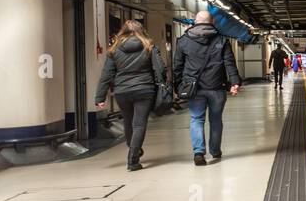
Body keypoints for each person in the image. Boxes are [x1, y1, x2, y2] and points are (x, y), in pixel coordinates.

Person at [94, 20, 167, 171]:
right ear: (142, 30)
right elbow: (160, 68)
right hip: (144, 89)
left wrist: (100, 97)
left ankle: (133, 146)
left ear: (123, 31)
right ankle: (133, 158)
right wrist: (162, 83)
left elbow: (106, 74)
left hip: (122, 91)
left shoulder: (114, 50)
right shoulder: (149, 46)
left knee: (128, 121)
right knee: (139, 124)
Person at [172, 10, 241, 166]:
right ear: (213, 23)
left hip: (193, 88)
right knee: (216, 119)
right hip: (217, 87)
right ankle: (215, 151)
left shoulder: (183, 41)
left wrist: (177, 86)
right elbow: (229, 63)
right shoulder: (222, 40)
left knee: (196, 119)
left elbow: (177, 66)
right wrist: (235, 82)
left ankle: (199, 153)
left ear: (195, 22)